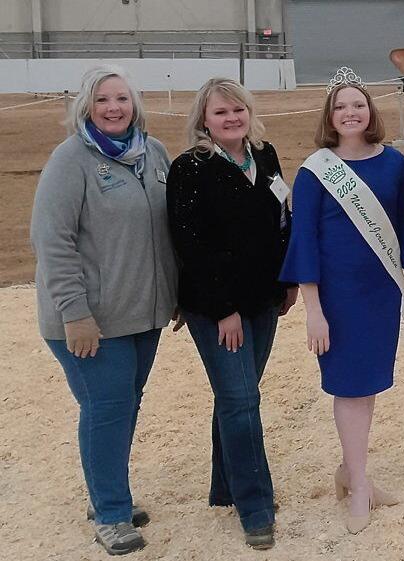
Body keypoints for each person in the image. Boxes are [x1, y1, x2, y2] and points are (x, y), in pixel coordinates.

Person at [30, 65, 177, 555]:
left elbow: (168, 231)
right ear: (86, 107)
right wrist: (74, 312)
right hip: (91, 321)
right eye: (102, 101)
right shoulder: (70, 161)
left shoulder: (153, 153)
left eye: (122, 99)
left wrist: (175, 295)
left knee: (121, 408)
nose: (114, 108)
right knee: (107, 410)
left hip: (142, 315)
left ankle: (107, 493)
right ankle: (111, 513)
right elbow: (53, 242)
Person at [279, 68, 404, 534]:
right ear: (330, 115)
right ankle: (360, 486)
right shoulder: (314, 171)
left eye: (358, 105)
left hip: (381, 293)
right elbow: (302, 240)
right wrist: (313, 310)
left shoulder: (392, 164)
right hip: (338, 297)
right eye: (341, 106)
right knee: (349, 387)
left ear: (371, 112)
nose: (351, 113)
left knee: (367, 386)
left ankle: (352, 473)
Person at [166, 78, 296, 549]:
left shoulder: (265, 155)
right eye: (221, 112)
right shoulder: (190, 169)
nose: (231, 118)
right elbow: (191, 246)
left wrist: (287, 283)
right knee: (242, 399)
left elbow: (284, 220)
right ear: (204, 119)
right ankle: (255, 505)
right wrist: (224, 310)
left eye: (238, 109)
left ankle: (224, 487)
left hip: (264, 301)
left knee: (238, 395)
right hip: (218, 309)